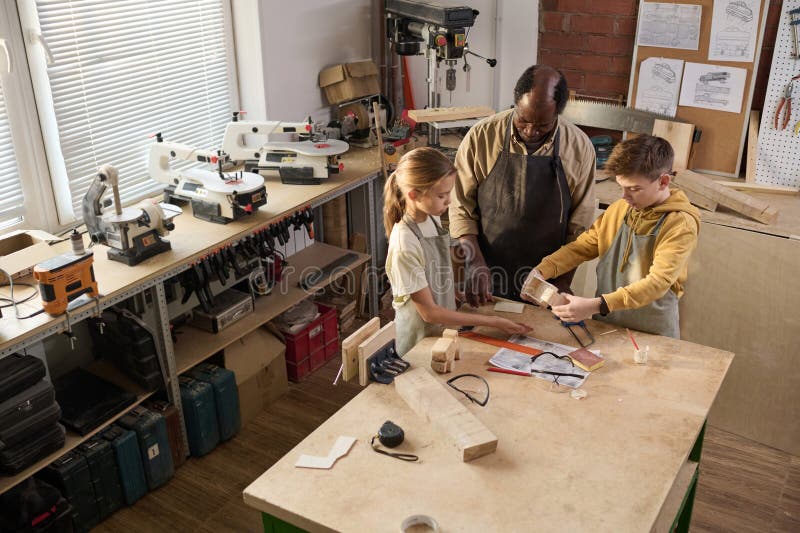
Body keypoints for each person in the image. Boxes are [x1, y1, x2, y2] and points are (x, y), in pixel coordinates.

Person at [523, 134, 700, 338]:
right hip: (606, 324)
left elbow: (658, 282)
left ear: (663, 181)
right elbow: (582, 247)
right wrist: (542, 270)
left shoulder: (680, 224)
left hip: (652, 332)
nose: (624, 196)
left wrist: (595, 306)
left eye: (634, 189)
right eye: (621, 187)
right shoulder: (620, 208)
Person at [449, 64, 596, 304]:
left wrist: (562, 282)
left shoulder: (579, 148)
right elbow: (460, 209)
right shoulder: (482, 136)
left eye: (542, 125)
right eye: (523, 120)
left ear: (558, 114)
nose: (530, 131)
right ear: (515, 103)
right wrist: (474, 261)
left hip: (546, 277)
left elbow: (580, 229)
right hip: (484, 269)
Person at [384, 147, 530, 356]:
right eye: (442, 195)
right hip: (417, 345)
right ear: (414, 195)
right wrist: (492, 321)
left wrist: (454, 294)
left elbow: (432, 274)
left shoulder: (430, 217)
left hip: (441, 336)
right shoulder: (405, 243)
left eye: (449, 193)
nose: (449, 201)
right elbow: (429, 313)